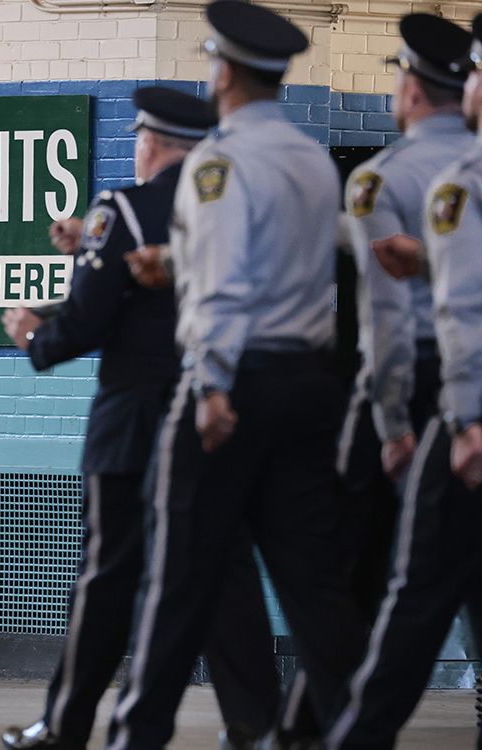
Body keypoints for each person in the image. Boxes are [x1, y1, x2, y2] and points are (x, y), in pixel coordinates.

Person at [103, 3, 367, 748]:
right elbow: (289, 264)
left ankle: (137, 732)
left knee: (176, 575)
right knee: (314, 585)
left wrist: (213, 386)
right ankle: (351, 729)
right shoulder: (314, 161)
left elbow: (223, 282)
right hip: (309, 387)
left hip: (234, 384)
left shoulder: (216, 165)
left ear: (223, 73)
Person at [0, 86, 280, 750]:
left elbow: (90, 318)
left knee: (106, 578)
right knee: (223, 571)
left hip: (132, 421)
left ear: (149, 143)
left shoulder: (121, 209)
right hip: (214, 410)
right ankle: (257, 726)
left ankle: (64, 725)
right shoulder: (228, 209)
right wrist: (89, 252)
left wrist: (34, 336)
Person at [326, 16, 482, 748]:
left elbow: (412, 321)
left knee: (392, 592)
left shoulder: (411, 183)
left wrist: (399, 424)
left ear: (413, 89)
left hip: (450, 400)